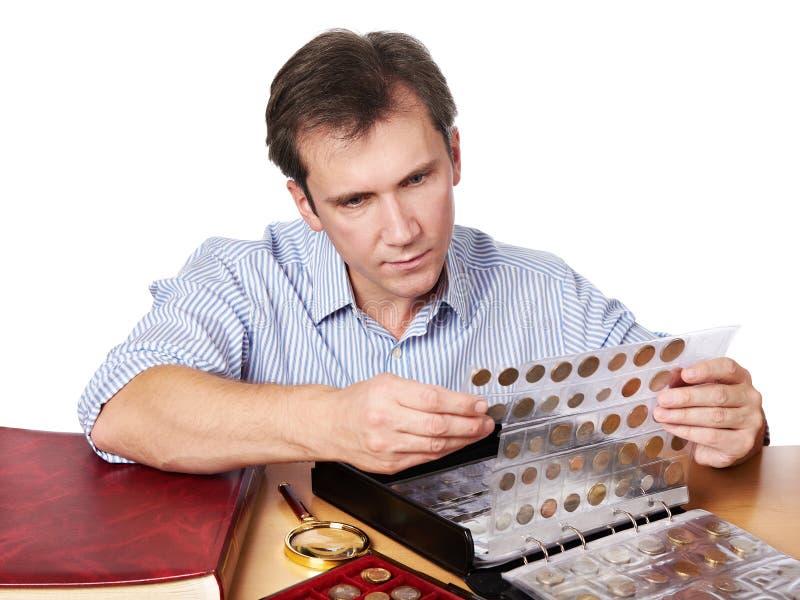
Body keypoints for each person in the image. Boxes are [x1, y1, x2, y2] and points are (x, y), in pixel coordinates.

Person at [80, 29, 766, 475]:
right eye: (355, 201)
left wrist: (735, 424)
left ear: (455, 157)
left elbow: (681, 424)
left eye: (417, 179)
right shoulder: (239, 278)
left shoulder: (546, 291)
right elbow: (122, 409)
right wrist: (328, 421)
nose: (403, 229)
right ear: (305, 205)